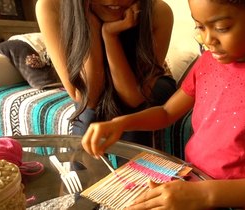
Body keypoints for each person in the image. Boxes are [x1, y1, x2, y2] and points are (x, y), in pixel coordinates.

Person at [81, 0, 245, 209]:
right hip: (190, 188)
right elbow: (167, 112)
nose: (207, 40)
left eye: (221, 27)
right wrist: (121, 123)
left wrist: (204, 194)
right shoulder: (208, 61)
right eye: (199, 26)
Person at [35, 0, 176, 146]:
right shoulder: (51, 6)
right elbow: (86, 98)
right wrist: (89, 24)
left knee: (131, 121)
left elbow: (133, 98)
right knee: (87, 116)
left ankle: (135, 169)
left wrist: (110, 36)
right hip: (94, 84)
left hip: (149, 86)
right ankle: (81, 169)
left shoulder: (158, 11)